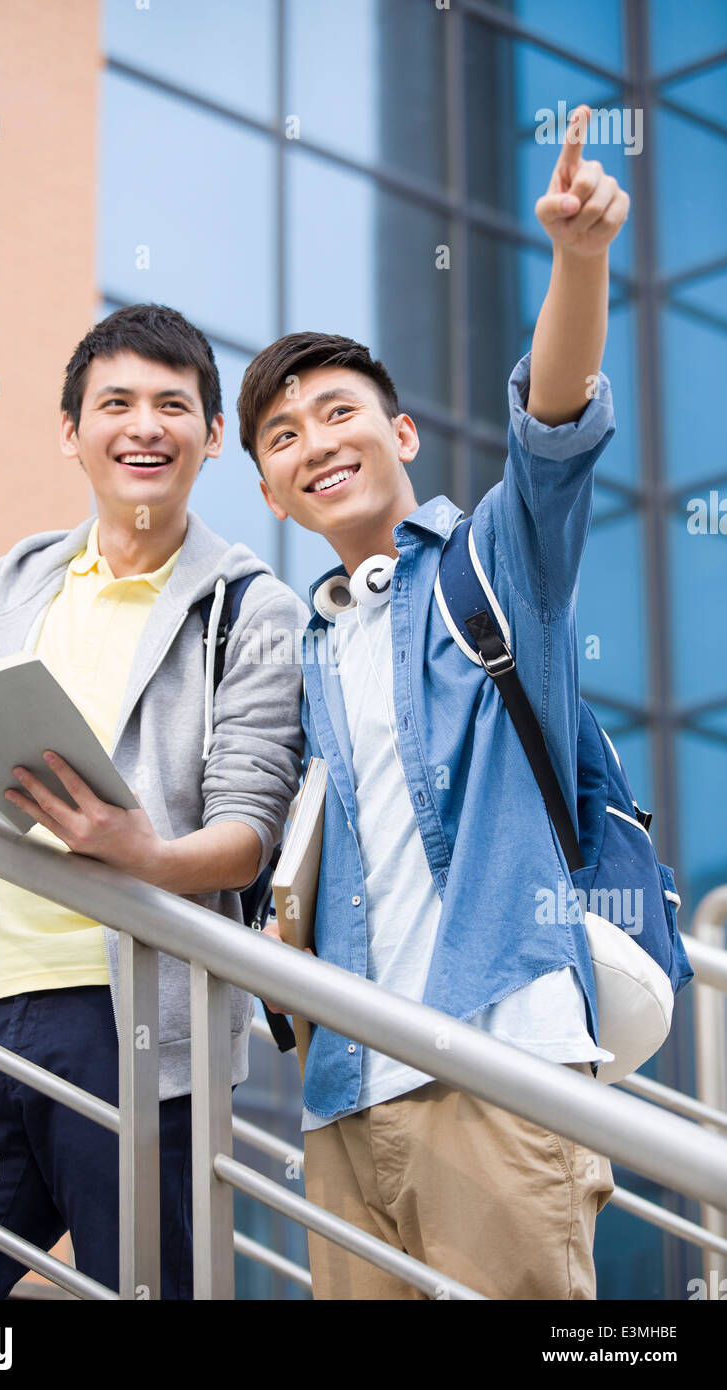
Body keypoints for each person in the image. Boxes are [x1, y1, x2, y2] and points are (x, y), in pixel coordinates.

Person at [239, 106, 626, 1300]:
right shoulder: (301, 646)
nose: (315, 442)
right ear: (268, 485)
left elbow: (552, 428)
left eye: (338, 412)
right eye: (282, 434)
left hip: (497, 1060)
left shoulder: (491, 567)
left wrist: (575, 258)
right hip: (345, 1097)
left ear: (399, 433)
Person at [0, 303, 307, 1300]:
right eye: (115, 403)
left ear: (207, 439)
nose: (143, 425)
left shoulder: (250, 609)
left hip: (143, 1029)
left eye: (172, 405)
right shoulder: (14, 580)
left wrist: (142, 852)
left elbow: (248, 835)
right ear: (71, 433)